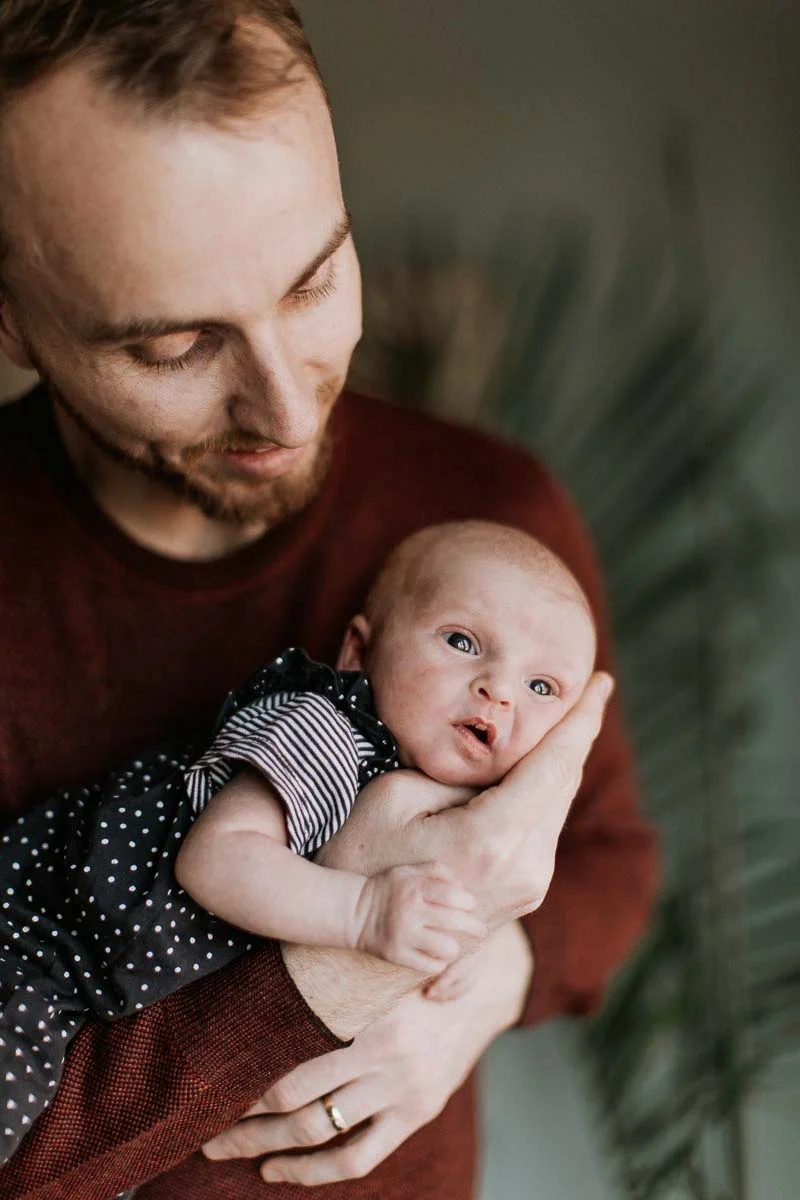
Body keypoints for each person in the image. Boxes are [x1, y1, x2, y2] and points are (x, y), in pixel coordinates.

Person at [0, 2, 658, 1197]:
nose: (288, 412)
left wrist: (488, 978)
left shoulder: (487, 514)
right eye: (172, 348)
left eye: (314, 283)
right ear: (11, 318)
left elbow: (611, 859)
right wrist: (338, 978)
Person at [0, 519, 600, 1163]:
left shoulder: (463, 806)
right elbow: (216, 859)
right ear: (360, 653)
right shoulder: (328, 734)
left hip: (98, 1008)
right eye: (462, 641)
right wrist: (363, 913)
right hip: (40, 945)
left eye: (542, 688)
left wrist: (474, 938)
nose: (499, 689)